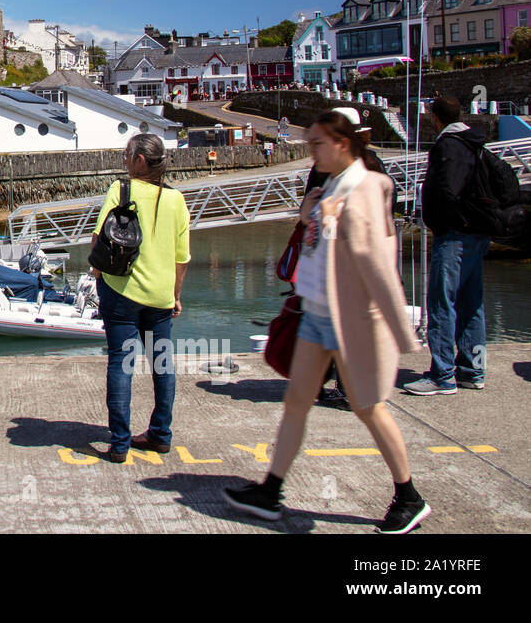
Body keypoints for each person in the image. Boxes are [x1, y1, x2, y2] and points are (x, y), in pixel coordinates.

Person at [224, 111, 427, 533]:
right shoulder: (331, 183)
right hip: (316, 312)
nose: (310, 151)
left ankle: (409, 496)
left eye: (317, 143)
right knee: (297, 403)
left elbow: (377, 262)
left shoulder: (364, 188)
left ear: (342, 143)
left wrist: (399, 330)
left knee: (369, 409)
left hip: (347, 320)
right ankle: (271, 489)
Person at [91, 134, 190, 463]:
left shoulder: (121, 190)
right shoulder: (177, 200)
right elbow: (182, 258)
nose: (124, 160)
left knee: (121, 363)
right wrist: (175, 296)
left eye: (127, 155)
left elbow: (98, 236)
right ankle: (161, 434)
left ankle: (119, 444)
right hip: (160, 295)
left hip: (121, 289)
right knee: (163, 363)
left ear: (140, 161)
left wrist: (98, 272)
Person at [405, 96, 491, 396]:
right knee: (473, 304)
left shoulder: (447, 146)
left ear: (435, 118)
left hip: (454, 234)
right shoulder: (475, 143)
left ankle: (442, 375)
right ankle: (473, 370)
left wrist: (436, 221)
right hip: (479, 233)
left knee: (442, 304)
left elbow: (447, 190)